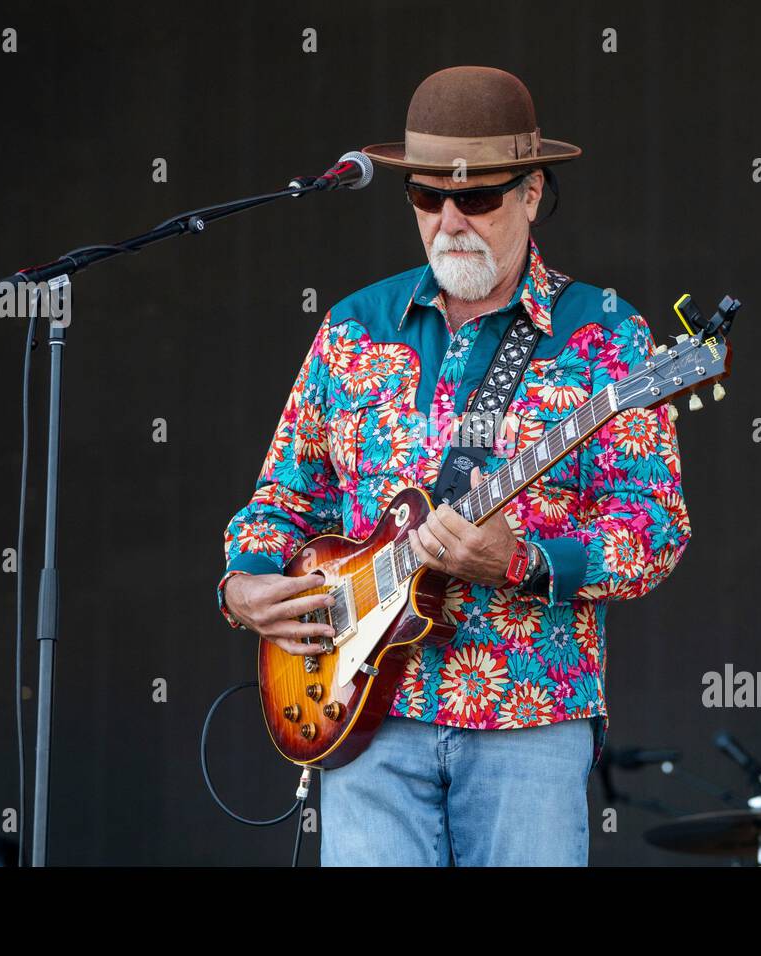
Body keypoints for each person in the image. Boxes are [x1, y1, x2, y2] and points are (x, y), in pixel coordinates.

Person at [218, 66, 691, 866]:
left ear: (534, 193)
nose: (449, 221)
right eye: (427, 198)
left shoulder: (605, 335)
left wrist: (524, 561)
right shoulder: (352, 329)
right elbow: (282, 501)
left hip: (528, 720)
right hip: (363, 712)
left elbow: (655, 528)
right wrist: (243, 582)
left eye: (476, 199)